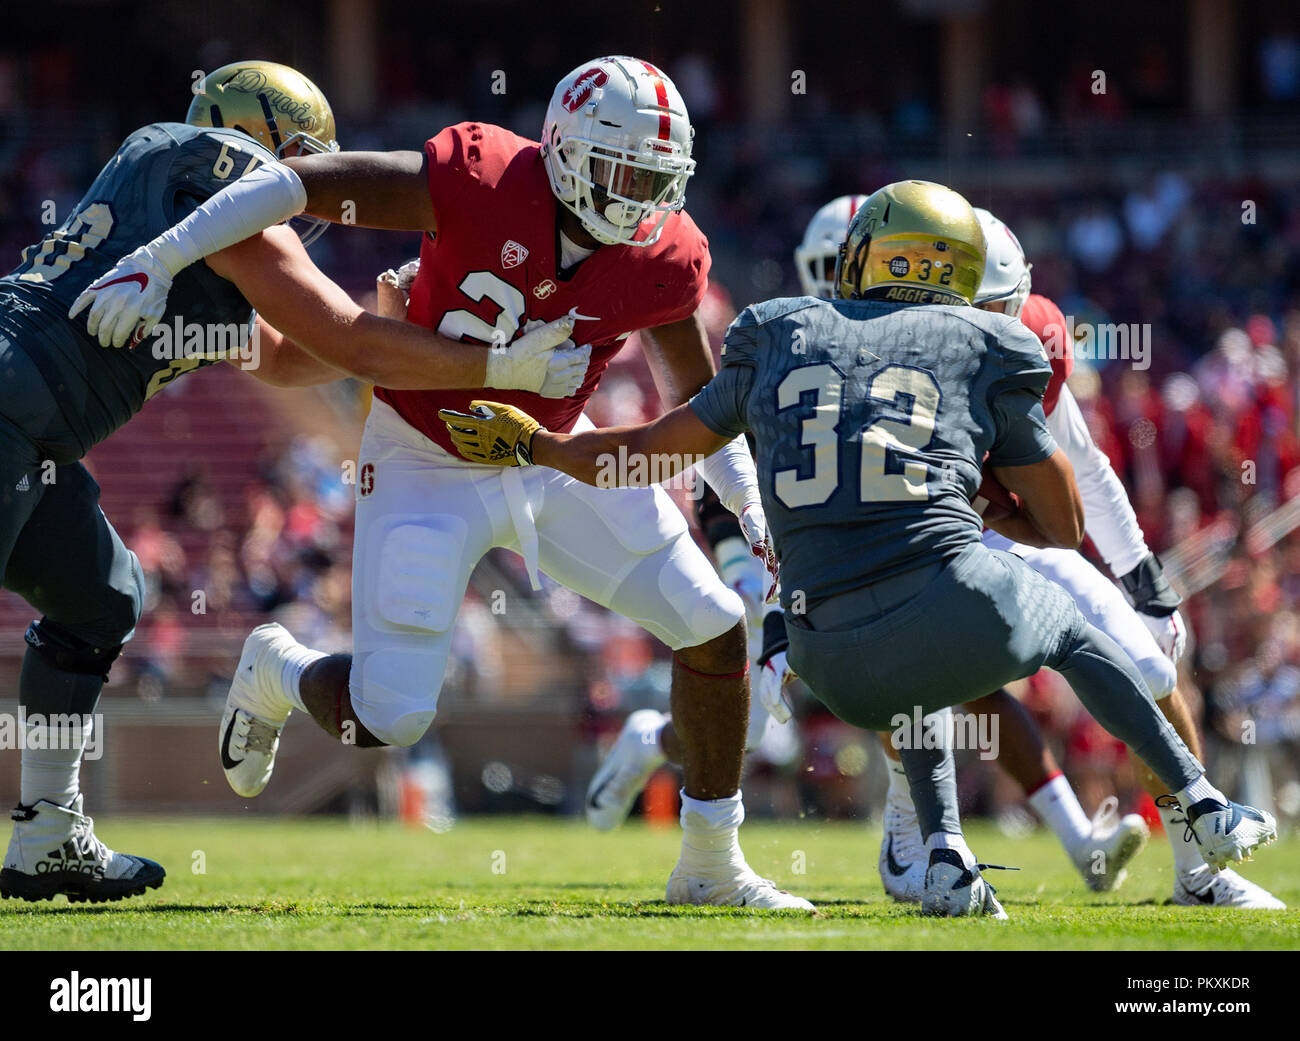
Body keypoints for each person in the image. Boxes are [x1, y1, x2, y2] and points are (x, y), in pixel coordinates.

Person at [79, 55, 811, 910]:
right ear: (567, 150)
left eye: (656, 176)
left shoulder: (664, 253)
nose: (638, 196)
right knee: (385, 717)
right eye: (621, 169)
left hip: (549, 450)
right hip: (424, 451)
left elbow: (697, 398)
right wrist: (161, 260)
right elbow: (293, 184)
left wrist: (747, 501)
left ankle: (709, 863)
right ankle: (280, 668)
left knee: (714, 625)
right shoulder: (483, 176)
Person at [437, 180, 1279, 918]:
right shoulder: (990, 340)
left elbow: (654, 447)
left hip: (826, 648)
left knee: (917, 653)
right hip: (945, 591)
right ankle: (1202, 802)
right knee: (1059, 622)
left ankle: (943, 849)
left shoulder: (775, 332)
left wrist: (536, 445)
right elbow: (1063, 520)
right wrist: (1000, 503)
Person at [0, 59, 581, 905]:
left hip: (37, 423)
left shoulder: (202, 246)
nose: (308, 176)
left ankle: (48, 833)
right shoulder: (196, 164)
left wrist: (391, 322)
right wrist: (496, 363)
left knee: (99, 598)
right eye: (299, 152)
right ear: (248, 129)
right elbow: (347, 345)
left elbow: (281, 356)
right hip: (15, 388)